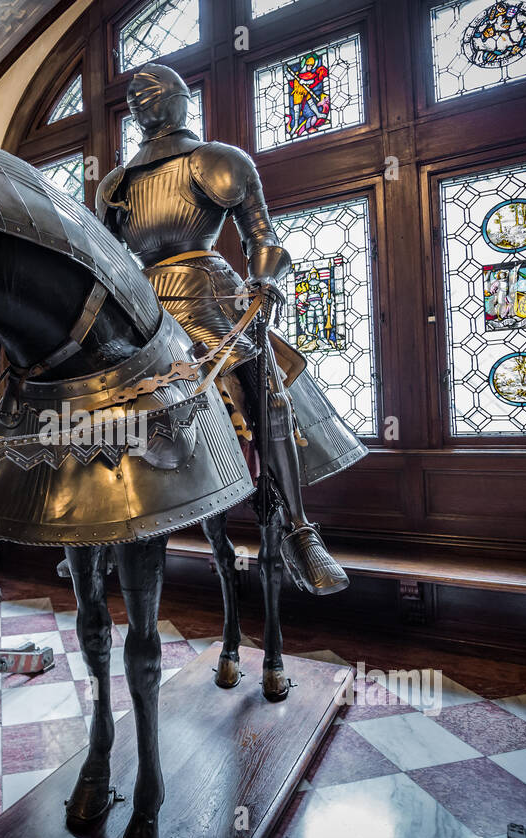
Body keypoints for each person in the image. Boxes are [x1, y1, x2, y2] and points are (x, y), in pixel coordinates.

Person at [95, 63, 365, 594]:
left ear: (176, 100)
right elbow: (107, 260)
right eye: (134, 98)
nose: (142, 104)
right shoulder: (115, 185)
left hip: (206, 288)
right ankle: (100, 521)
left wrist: (263, 283)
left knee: (262, 383)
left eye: (151, 96)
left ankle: (297, 529)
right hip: (141, 299)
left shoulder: (217, 161)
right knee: (97, 391)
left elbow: (263, 239)